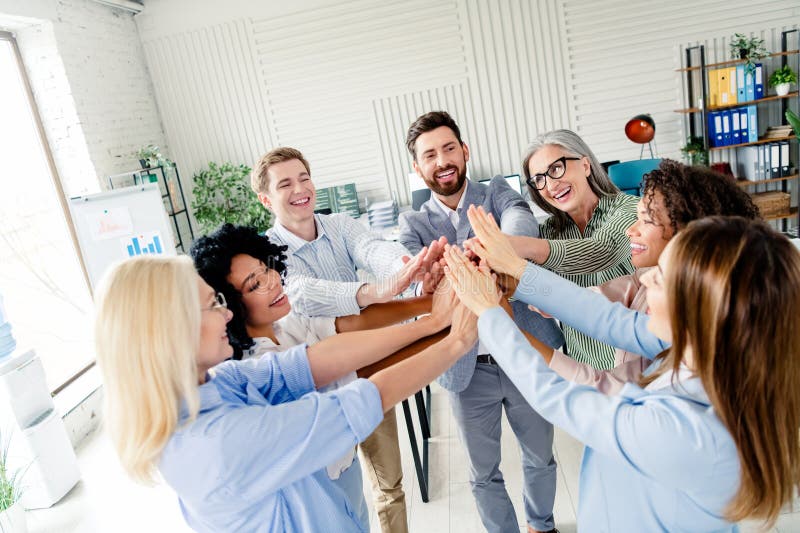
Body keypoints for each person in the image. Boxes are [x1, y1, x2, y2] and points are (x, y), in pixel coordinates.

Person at [445, 216, 800, 532]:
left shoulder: (689, 433)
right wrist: (519, 275)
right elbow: (609, 319)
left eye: (658, 278)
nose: (644, 283)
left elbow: (557, 399)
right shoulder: (704, 357)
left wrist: (491, 313)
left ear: (696, 309)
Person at [94, 255, 477, 533]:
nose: (226, 314)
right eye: (213, 305)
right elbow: (357, 402)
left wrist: (433, 321)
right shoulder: (217, 444)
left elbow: (305, 365)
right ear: (171, 330)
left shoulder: (217, 384)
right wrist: (456, 339)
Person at [190, 223, 441, 530]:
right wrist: (443, 326)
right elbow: (362, 369)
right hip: (318, 479)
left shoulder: (288, 322)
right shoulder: (251, 367)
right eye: (254, 285)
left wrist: (430, 305)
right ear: (231, 304)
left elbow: (350, 325)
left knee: (358, 516)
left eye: (266, 270)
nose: (271, 283)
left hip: (343, 464)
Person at [397, 110, 563, 533]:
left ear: (465, 151)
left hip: (526, 353)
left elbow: (520, 223)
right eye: (430, 154)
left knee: (541, 456)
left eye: (449, 148)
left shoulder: (498, 194)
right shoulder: (413, 224)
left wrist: (492, 246)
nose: (442, 160)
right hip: (468, 371)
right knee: (483, 472)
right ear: (418, 168)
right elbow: (414, 285)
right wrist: (427, 280)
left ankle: (541, 526)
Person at [252, 147, 434, 531]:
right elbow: (301, 293)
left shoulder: (339, 225)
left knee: (391, 486)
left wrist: (408, 269)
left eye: (304, 177)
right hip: (317, 394)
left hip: (368, 373)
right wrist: (372, 292)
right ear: (266, 199)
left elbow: (374, 249)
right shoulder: (264, 254)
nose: (300, 189)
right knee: (340, 499)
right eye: (285, 184)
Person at [525, 160, 759, 394]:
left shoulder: (686, 328)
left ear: (689, 234)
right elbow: (594, 301)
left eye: (646, 220)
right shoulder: (646, 275)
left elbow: (607, 386)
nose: (631, 230)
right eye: (538, 179)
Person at [507, 130, 638, 370]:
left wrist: (516, 245)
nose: (550, 185)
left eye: (556, 168)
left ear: (585, 165)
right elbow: (515, 284)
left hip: (642, 366)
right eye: (539, 179)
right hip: (589, 373)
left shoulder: (631, 209)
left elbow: (601, 252)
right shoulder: (549, 232)